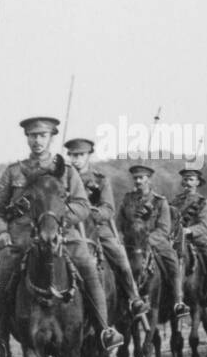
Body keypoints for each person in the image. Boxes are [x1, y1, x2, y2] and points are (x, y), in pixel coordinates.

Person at [0, 116, 124, 357]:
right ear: (27, 138)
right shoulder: (14, 172)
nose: (37, 140)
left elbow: (83, 206)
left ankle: (105, 330)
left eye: (42, 136)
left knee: (89, 268)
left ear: (51, 138)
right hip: (20, 239)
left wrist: (59, 220)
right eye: (33, 136)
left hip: (64, 236)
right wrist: (1, 234)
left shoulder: (67, 171)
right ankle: (0, 342)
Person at [63, 136, 149, 322]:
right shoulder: (63, 178)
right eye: (72, 155)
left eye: (80, 155)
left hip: (96, 228)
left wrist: (91, 213)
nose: (76, 159)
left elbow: (108, 208)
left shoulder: (100, 180)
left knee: (121, 257)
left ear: (89, 156)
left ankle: (133, 297)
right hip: (68, 227)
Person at [118, 165, 190, 318]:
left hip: (154, 241)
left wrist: (145, 240)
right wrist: (123, 238)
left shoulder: (160, 202)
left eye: (141, 178)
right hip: (131, 243)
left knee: (172, 260)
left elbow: (164, 228)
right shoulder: (127, 199)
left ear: (148, 180)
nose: (137, 181)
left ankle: (178, 301)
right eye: (135, 178)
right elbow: (120, 223)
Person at [172, 166, 207, 301]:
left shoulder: (203, 202)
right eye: (185, 179)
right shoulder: (175, 201)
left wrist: (189, 231)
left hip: (196, 239)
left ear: (197, 183)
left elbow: (204, 225)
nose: (187, 182)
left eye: (191, 179)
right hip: (175, 238)